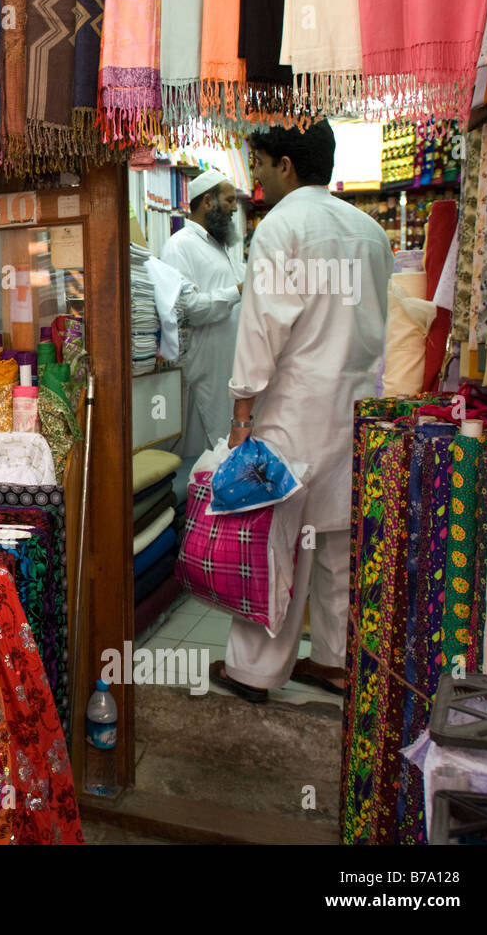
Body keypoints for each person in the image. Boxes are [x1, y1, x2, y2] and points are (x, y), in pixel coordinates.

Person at [211, 120, 393, 704]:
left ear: (286, 164)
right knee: (341, 541)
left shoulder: (282, 227)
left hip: (293, 412)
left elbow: (262, 328)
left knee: (278, 539)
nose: (258, 177)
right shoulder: (370, 232)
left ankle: (256, 671)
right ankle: (337, 662)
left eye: (261, 163)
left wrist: (242, 415)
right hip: (358, 409)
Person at [160, 169, 245, 467]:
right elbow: (188, 307)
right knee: (200, 460)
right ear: (208, 201)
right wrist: (239, 290)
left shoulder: (219, 247)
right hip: (203, 369)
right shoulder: (179, 245)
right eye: (230, 199)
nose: (235, 207)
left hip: (227, 367)